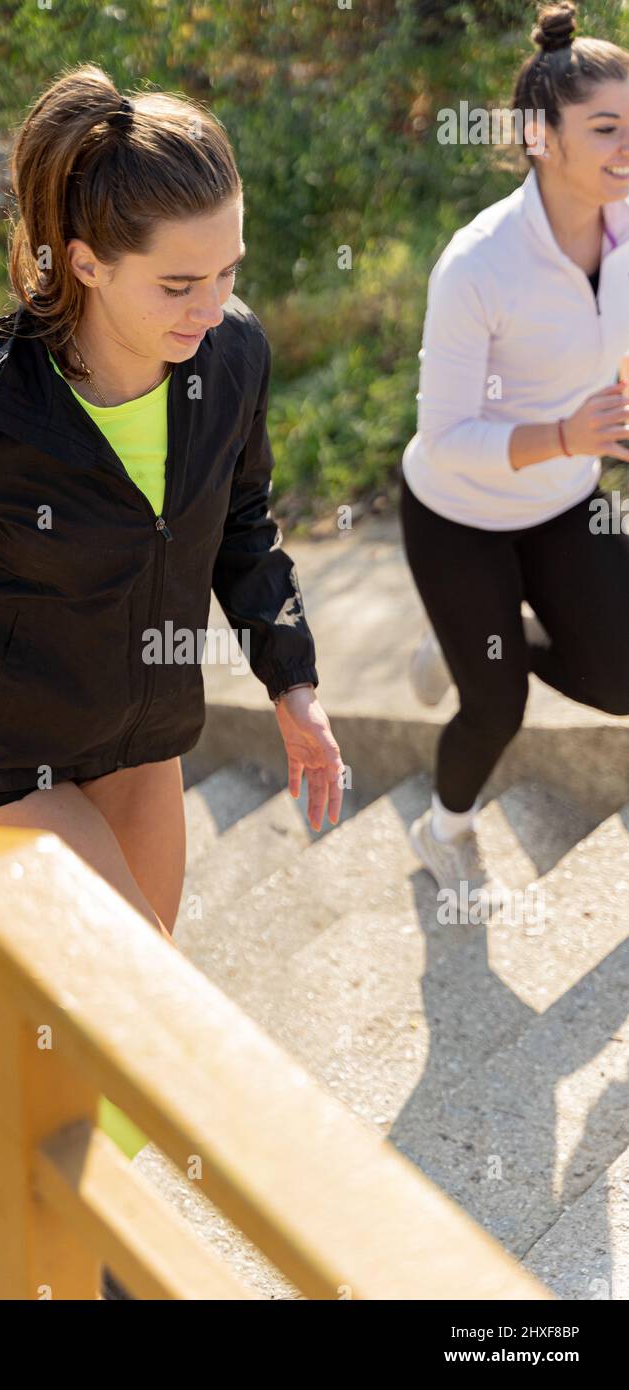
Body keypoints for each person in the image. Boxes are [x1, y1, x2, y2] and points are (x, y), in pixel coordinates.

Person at [0, 64, 345, 1299]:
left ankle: (63, 1233)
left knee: (88, 1045)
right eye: (179, 282)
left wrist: (293, 688)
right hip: (7, 753)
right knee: (146, 1013)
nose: (216, 304)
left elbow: (244, 526)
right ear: (85, 261)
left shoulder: (228, 358)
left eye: (231, 269)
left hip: (145, 738)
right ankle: (120, 1273)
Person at [401, 1, 629, 902]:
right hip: (461, 513)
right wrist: (567, 433)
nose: (628, 146)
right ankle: (443, 830)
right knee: (496, 705)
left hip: (568, 498)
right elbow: (446, 438)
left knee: (620, 681)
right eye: (606, 128)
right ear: (540, 137)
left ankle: (472, 641)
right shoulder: (476, 265)